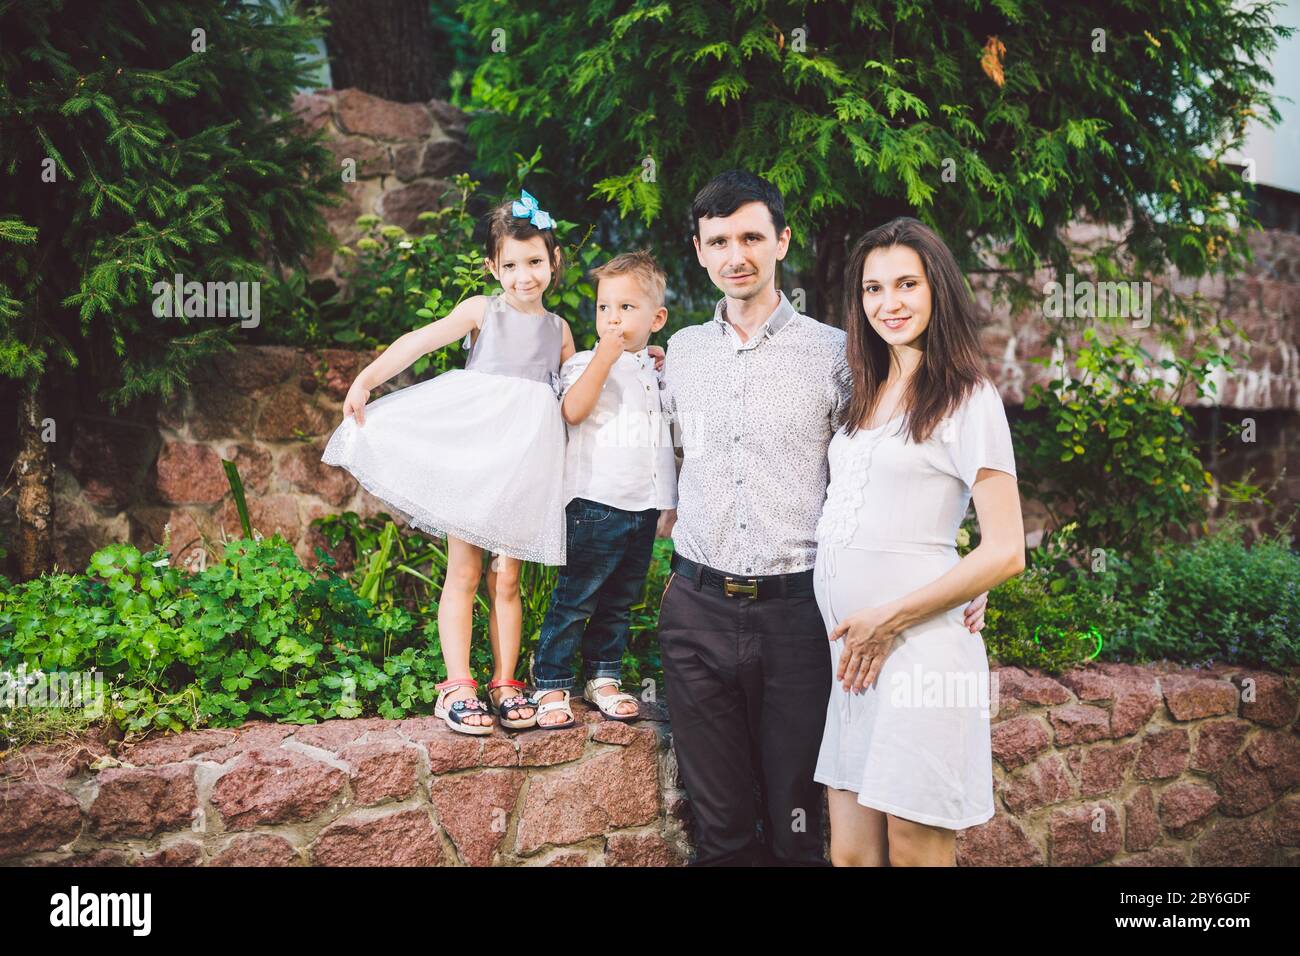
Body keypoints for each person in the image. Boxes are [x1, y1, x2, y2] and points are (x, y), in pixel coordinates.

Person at [657, 170, 990, 866]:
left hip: (801, 621)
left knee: (802, 830)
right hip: (696, 610)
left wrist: (966, 566)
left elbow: (886, 467)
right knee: (717, 832)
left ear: (781, 240)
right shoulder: (679, 355)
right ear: (698, 250)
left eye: (751, 236)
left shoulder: (839, 355)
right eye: (718, 241)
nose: (735, 255)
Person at [813, 217, 1025, 866]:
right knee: (851, 855)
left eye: (907, 284)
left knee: (914, 849)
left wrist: (892, 616)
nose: (890, 303)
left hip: (919, 654)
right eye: (874, 289)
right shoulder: (864, 393)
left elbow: (1007, 549)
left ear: (939, 290)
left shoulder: (967, 396)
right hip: (854, 662)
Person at [321, 190, 573, 735]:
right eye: (510, 265)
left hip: (526, 469)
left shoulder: (559, 331)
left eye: (535, 262)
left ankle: (506, 682)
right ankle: (458, 684)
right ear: (492, 268)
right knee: (466, 570)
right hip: (476, 461)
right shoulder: (482, 311)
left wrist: (639, 356)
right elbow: (420, 339)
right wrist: (366, 379)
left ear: (554, 261)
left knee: (507, 578)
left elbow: (581, 393)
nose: (523, 276)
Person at [529, 251, 677, 729]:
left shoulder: (656, 371)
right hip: (594, 504)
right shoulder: (585, 364)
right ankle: (551, 682)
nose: (612, 318)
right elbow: (572, 411)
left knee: (620, 601)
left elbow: (661, 443)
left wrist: (667, 506)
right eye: (603, 308)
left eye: (626, 309)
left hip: (641, 509)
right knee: (575, 599)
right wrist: (606, 359)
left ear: (656, 318)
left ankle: (603, 676)